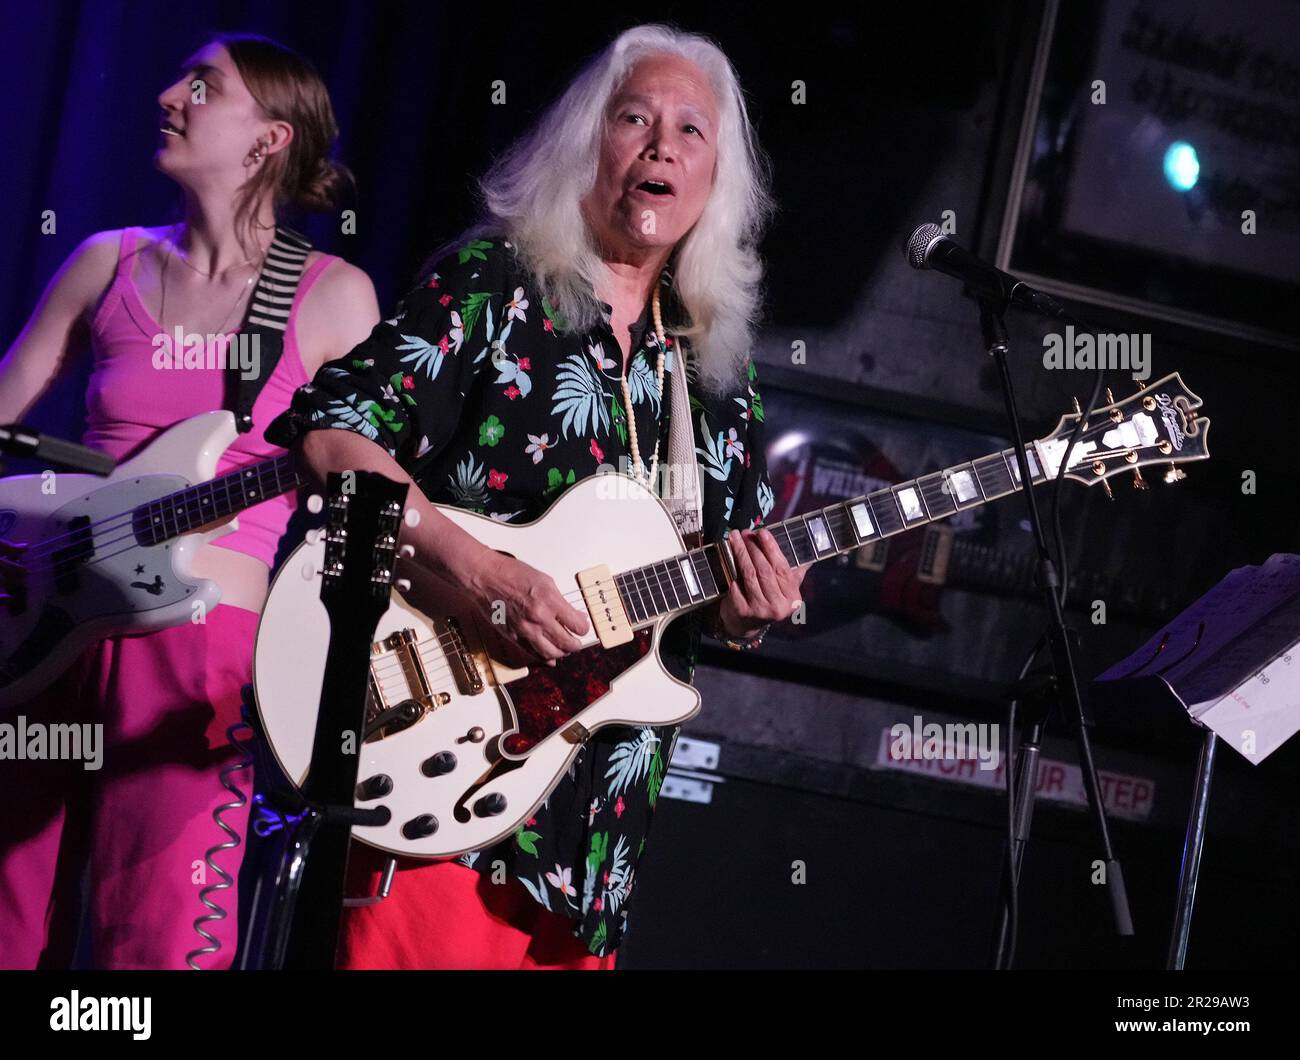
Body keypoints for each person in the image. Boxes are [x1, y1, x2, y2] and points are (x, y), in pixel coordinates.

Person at [268, 22, 806, 970]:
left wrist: (747, 608)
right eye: (634, 118)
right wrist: (484, 574)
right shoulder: (495, 286)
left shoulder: (718, 375)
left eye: (691, 131)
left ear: (717, 182)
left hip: (595, 839)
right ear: (586, 142)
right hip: (443, 785)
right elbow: (331, 436)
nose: (660, 147)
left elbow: (711, 589)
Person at [0, 33, 379, 969]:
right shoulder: (107, 262)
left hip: (200, 650)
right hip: (47, 621)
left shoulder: (334, 296)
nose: (170, 95)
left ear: (269, 139)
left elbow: (374, 497)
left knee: (161, 937)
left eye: (204, 86)